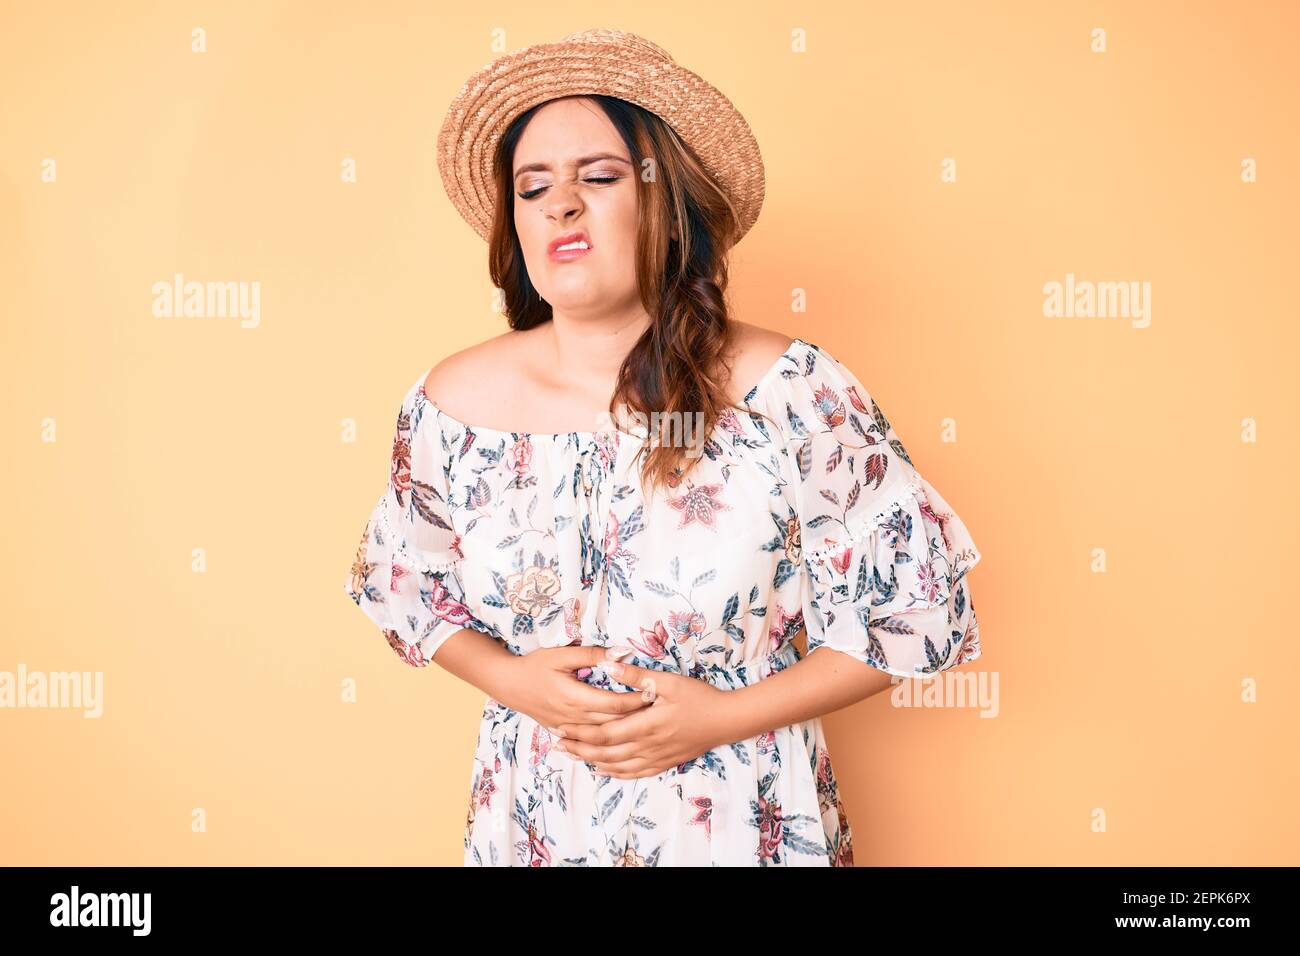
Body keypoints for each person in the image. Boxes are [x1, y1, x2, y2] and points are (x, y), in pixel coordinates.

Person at [344, 28, 983, 867]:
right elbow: (402, 582)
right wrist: (513, 682)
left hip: (741, 816)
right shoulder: (450, 406)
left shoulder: (791, 391)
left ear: (665, 203)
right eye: (533, 188)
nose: (560, 205)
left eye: (598, 178)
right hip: (537, 817)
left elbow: (919, 612)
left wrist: (723, 717)